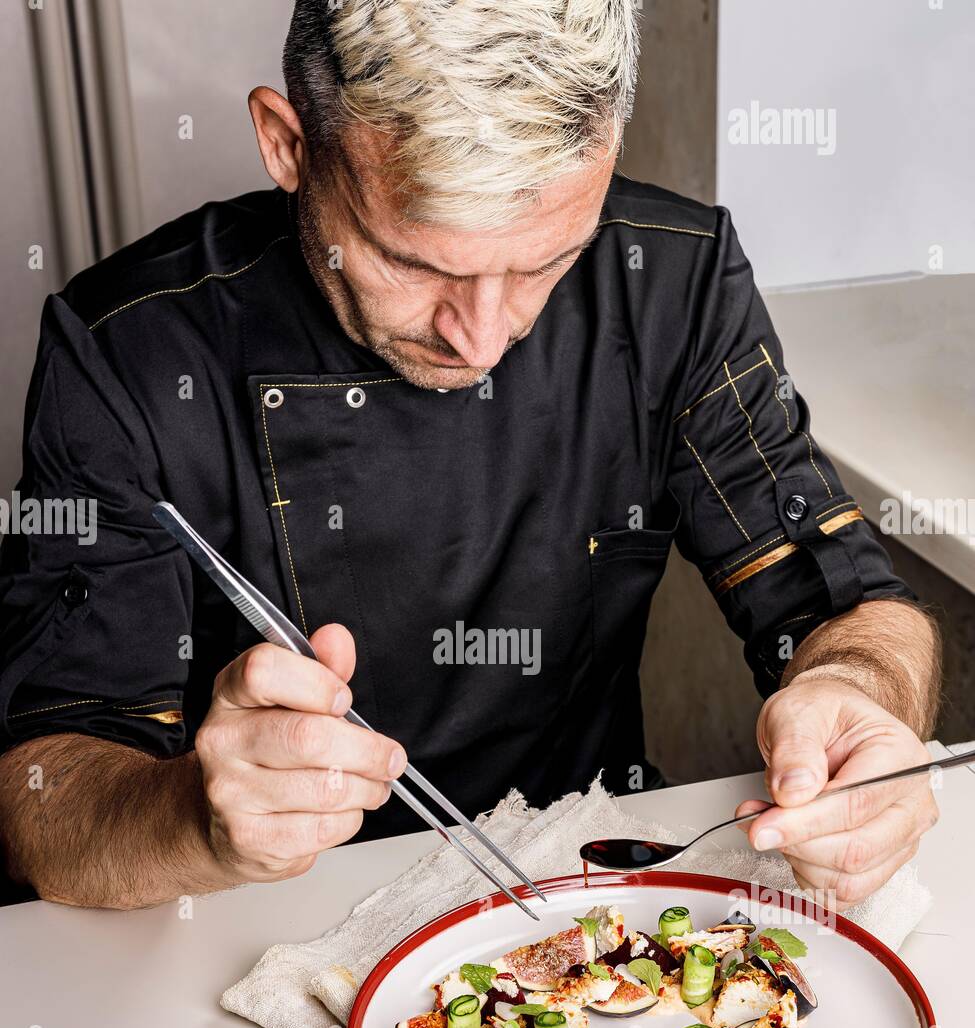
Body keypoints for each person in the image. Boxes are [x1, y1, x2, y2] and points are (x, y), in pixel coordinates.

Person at [0, 0, 940, 911]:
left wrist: (858, 695)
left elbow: (851, 604)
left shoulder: (672, 284)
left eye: (542, 263)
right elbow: (43, 791)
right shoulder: (129, 349)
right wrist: (193, 822)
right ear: (288, 144)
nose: (481, 338)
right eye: (414, 264)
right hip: (238, 911)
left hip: (572, 879)